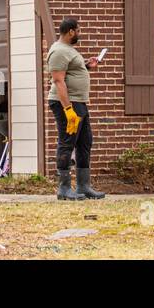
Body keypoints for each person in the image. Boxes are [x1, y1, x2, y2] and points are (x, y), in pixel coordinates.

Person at [46, 17, 106, 200]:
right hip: (67, 104)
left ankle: (83, 186)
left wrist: (87, 65)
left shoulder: (68, 50)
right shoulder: (58, 51)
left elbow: (72, 72)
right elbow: (58, 80)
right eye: (78, 31)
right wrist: (68, 110)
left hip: (79, 102)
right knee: (67, 143)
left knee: (85, 142)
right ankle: (64, 188)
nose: (79, 34)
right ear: (71, 31)